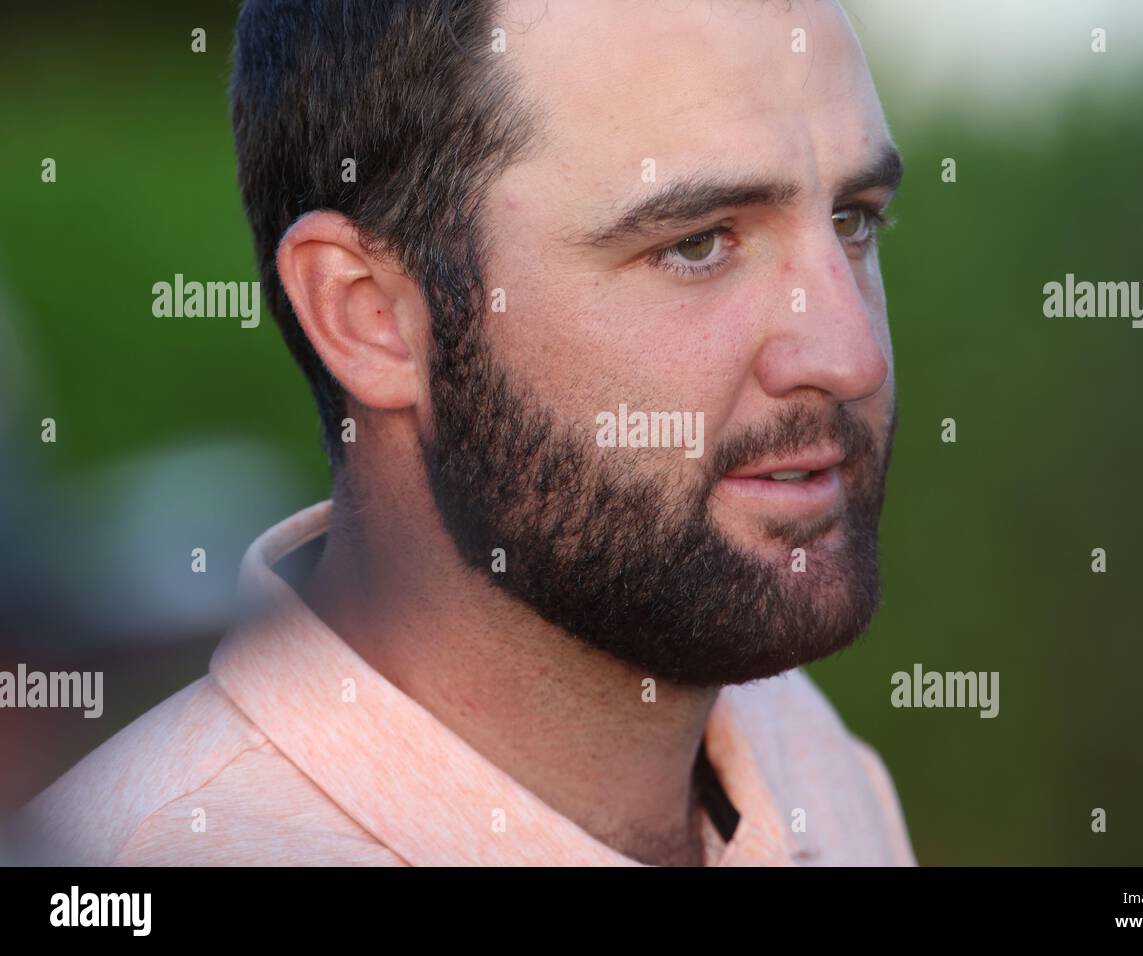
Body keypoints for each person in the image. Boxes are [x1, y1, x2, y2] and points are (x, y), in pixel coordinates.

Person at [15, 0, 913, 867]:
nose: (851, 354)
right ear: (369, 317)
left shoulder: (808, 761)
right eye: (696, 243)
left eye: (852, 219)